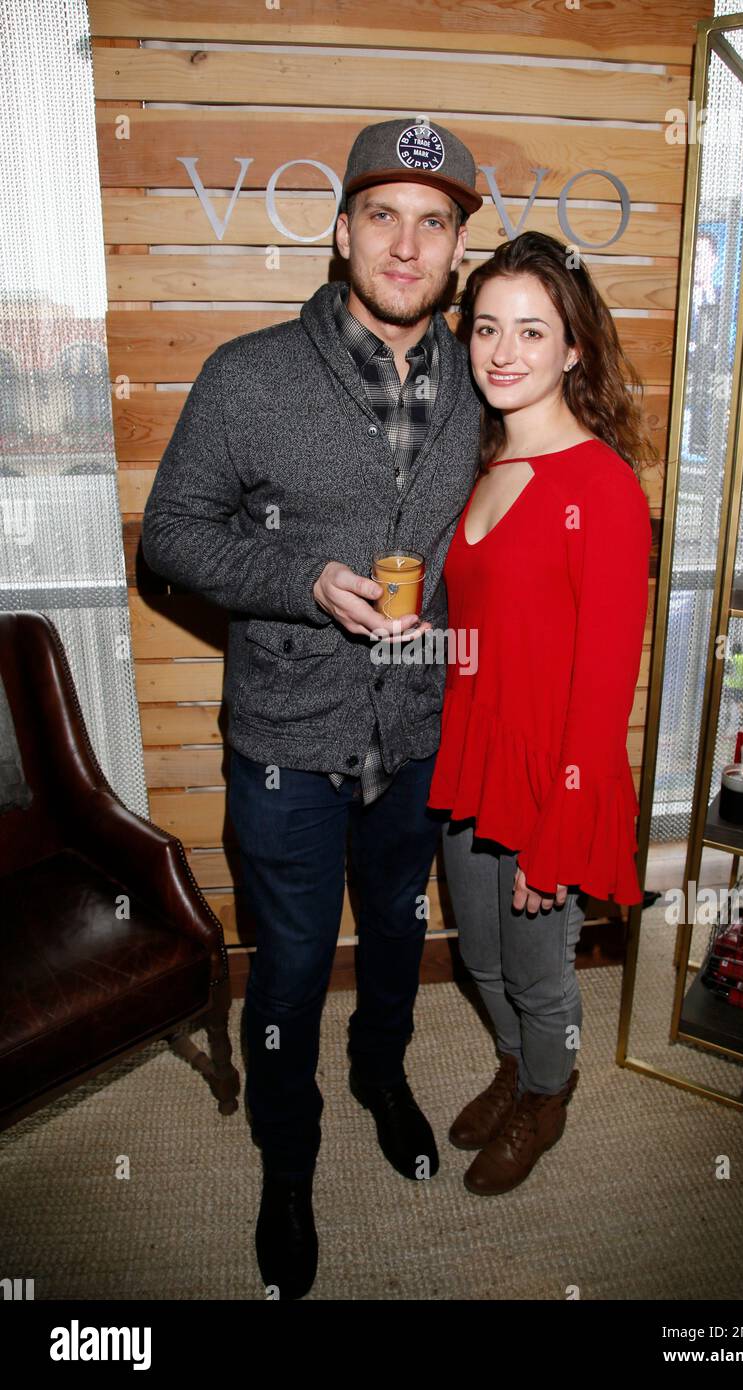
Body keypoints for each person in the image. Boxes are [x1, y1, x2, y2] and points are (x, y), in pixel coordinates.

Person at [141, 116, 483, 1299]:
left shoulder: (484, 382)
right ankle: (287, 1165)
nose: (406, 244)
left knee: (394, 933)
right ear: (341, 233)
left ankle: (382, 1073)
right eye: (381, 215)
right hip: (286, 741)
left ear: (457, 250)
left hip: (418, 734)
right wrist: (300, 580)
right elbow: (170, 535)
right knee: (286, 968)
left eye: (432, 222)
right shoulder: (248, 375)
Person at [426, 230, 654, 1196]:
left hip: (554, 773)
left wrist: (558, 831)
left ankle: (548, 1095)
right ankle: (517, 1065)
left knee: (538, 971)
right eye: (486, 328)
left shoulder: (602, 487)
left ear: (572, 349)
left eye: (531, 330)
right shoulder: (482, 466)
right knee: (480, 958)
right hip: (475, 760)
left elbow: (604, 685)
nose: (503, 350)